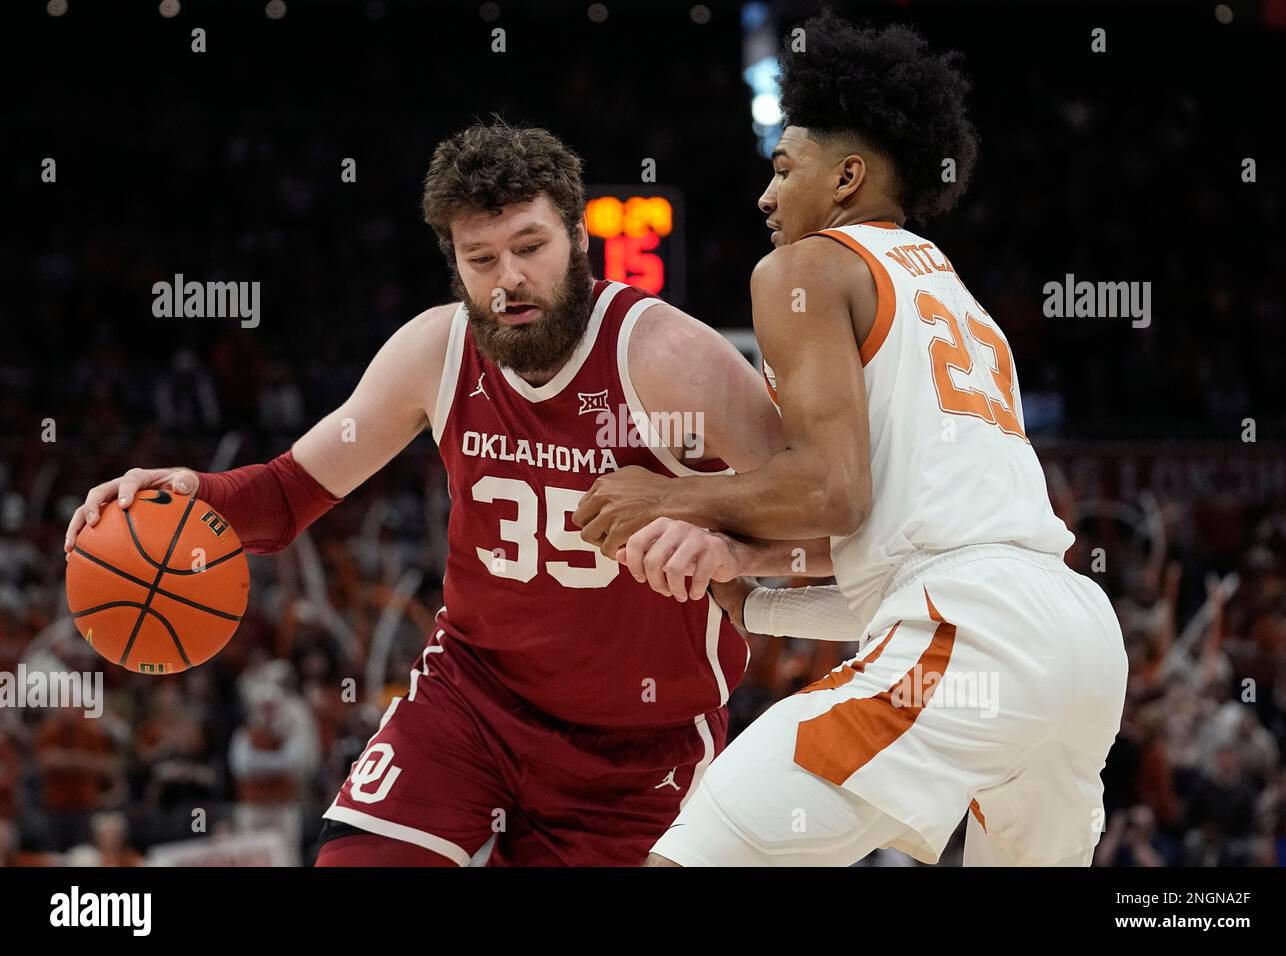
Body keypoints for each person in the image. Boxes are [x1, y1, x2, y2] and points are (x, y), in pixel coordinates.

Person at [63, 120, 786, 866]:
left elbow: (820, 511)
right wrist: (197, 494)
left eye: (530, 248)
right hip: (473, 702)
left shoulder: (668, 357)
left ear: (577, 235)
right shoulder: (434, 351)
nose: (508, 278)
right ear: (455, 263)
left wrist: (726, 543)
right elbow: (289, 495)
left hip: (637, 745)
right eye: (481, 258)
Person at [574, 12, 1128, 866]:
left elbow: (835, 495)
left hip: (975, 630)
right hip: (1077, 639)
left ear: (847, 178)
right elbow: (915, 560)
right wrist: (750, 588)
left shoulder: (807, 267)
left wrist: (666, 494)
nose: (765, 197)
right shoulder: (960, 301)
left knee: (691, 854)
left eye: (783, 169)